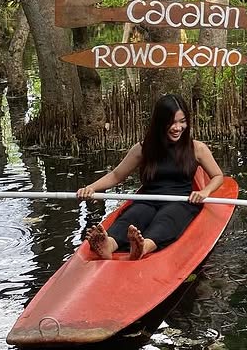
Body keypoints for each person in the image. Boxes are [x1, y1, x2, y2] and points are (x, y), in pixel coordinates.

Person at [75, 94, 224, 260]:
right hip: (148, 198)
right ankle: (109, 244)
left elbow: (217, 176)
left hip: (181, 201)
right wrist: (91, 188)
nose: (177, 127)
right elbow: (117, 175)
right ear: (160, 123)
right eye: (171, 122)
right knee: (135, 214)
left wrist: (205, 191)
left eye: (182, 121)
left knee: (166, 218)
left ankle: (143, 246)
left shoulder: (197, 148)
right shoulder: (142, 149)